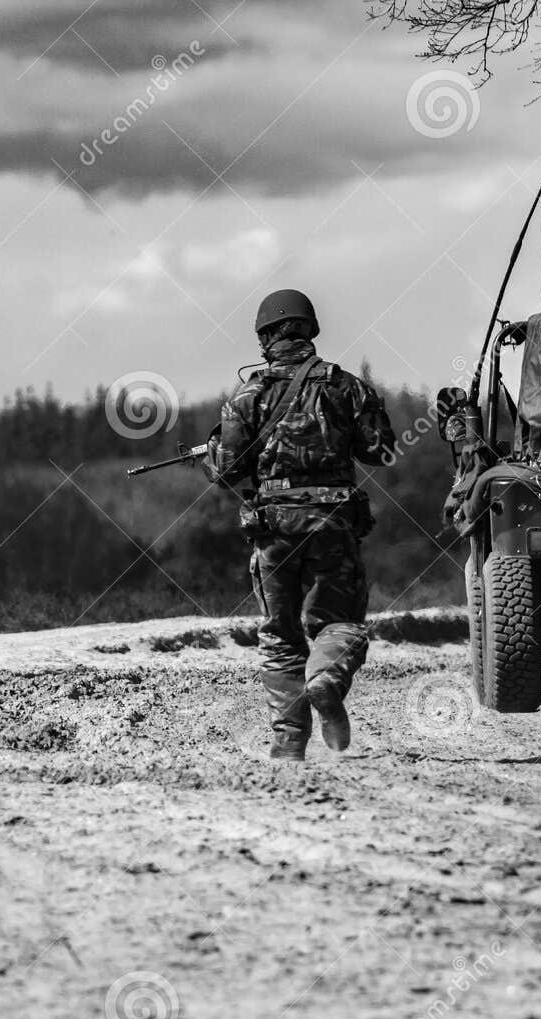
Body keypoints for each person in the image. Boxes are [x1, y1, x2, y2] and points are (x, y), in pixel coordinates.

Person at [204, 289, 394, 760]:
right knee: (340, 622)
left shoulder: (247, 397)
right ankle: (326, 676)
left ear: (265, 336)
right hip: (333, 525)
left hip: (273, 530)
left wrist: (211, 449)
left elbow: (227, 470)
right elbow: (381, 452)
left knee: (280, 635)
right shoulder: (347, 387)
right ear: (310, 330)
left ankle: (289, 744)